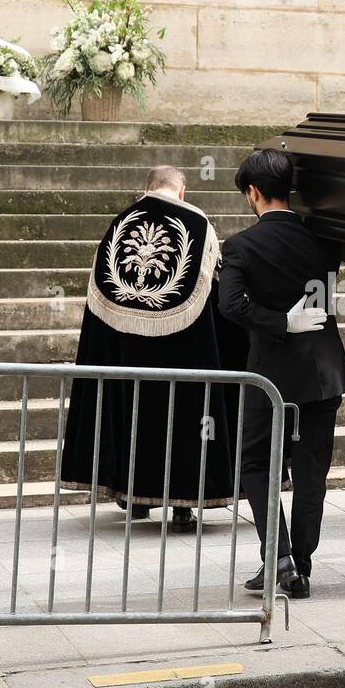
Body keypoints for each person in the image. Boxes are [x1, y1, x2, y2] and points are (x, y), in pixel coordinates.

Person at [61, 166, 233, 534]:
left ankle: (133, 494)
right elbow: (216, 290)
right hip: (184, 348)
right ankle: (183, 507)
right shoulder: (200, 224)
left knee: (133, 414)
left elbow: (100, 298)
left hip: (126, 348)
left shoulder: (120, 223)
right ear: (181, 191)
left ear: (147, 189)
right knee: (184, 420)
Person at [218, 149, 345, 601]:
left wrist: (278, 322)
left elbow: (231, 305)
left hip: (272, 373)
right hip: (322, 372)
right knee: (311, 471)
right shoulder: (323, 238)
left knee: (256, 463)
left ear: (254, 192)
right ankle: (302, 565)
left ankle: (279, 557)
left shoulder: (241, 245)